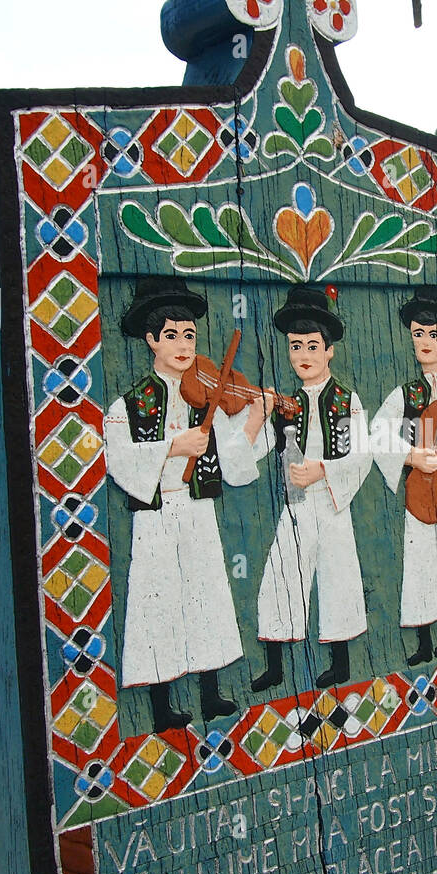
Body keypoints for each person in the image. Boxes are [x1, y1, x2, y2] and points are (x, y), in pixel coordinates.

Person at [103, 276, 270, 731]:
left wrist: (255, 415)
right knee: (157, 601)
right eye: (172, 335)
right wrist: (172, 447)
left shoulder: (206, 395)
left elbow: (235, 456)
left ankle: (210, 692)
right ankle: (161, 704)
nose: (182, 344)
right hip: (156, 514)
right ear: (152, 339)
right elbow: (119, 459)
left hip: (197, 508)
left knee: (206, 593)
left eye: (190, 335)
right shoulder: (131, 402)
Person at [251, 285, 371, 691]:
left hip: (334, 501)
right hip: (298, 504)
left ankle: (340, 663)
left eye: (313, 346)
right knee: (281, 574)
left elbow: (364, 454)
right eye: (296, 346)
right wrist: (258, 416)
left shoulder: (346, 399)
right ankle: (276, 665)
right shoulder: (287, 403)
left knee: (339, 577)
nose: (304, 356)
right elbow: (249, 454)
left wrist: (324, 470)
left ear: (329, 350)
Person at [371, 286, 437, 664]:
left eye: (434, 334)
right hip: (420, 489)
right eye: (419, 334)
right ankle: (422, 641)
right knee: (419, 564)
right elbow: (377, 433)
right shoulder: (407, 394)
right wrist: (411, 455)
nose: (426, 342)